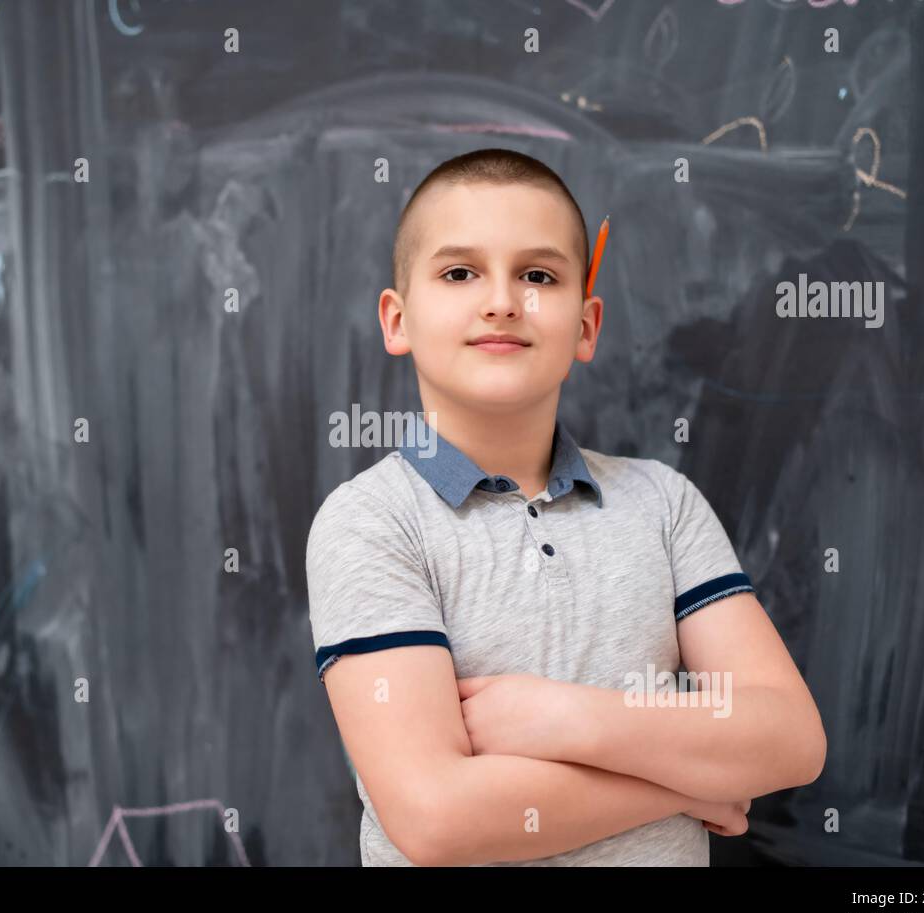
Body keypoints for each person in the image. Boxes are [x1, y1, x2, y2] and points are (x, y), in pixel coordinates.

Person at [304, 147, 826, 866]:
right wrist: (684, 786)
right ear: (397, 321)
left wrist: (565, 718)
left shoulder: (663, 504)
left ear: (586, 325)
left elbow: (790, 740)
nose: (501, 301)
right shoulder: (370, 521)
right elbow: (436, 819)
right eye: (460, 272)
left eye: (539, 275)